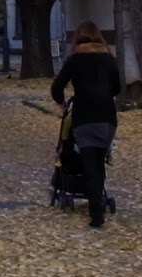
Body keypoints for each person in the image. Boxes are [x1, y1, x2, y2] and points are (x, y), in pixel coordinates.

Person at [49, 21, 122, 227]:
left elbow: (56, 88)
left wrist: (63, 102)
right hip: (107, 119)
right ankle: (98, 198)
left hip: (85, 118)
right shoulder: (109, 59)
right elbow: (117, 88)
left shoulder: (75, 60)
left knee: (90, 164)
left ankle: (96, 212)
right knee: (99, 162)